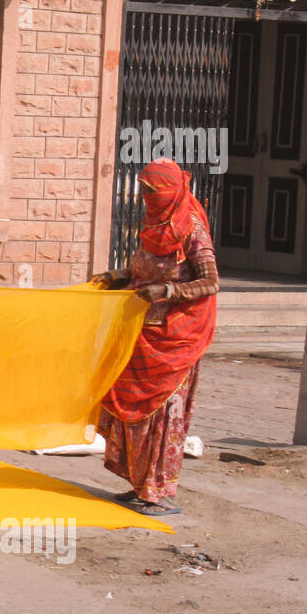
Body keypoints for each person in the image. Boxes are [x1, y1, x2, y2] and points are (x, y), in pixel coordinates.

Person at [91, 157, 220, 516]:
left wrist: (167, 291)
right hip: (141, 332)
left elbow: (211, 282)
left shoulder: (191, 228)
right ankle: (139, 482)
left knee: (163, 414)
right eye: (144, 190)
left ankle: (158, 491)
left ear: (172, 190)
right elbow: (141, 269)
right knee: (138, 413)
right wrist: (117, 277)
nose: (148, 198)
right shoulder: (152, 224)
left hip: (175, 341)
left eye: (154, 191)